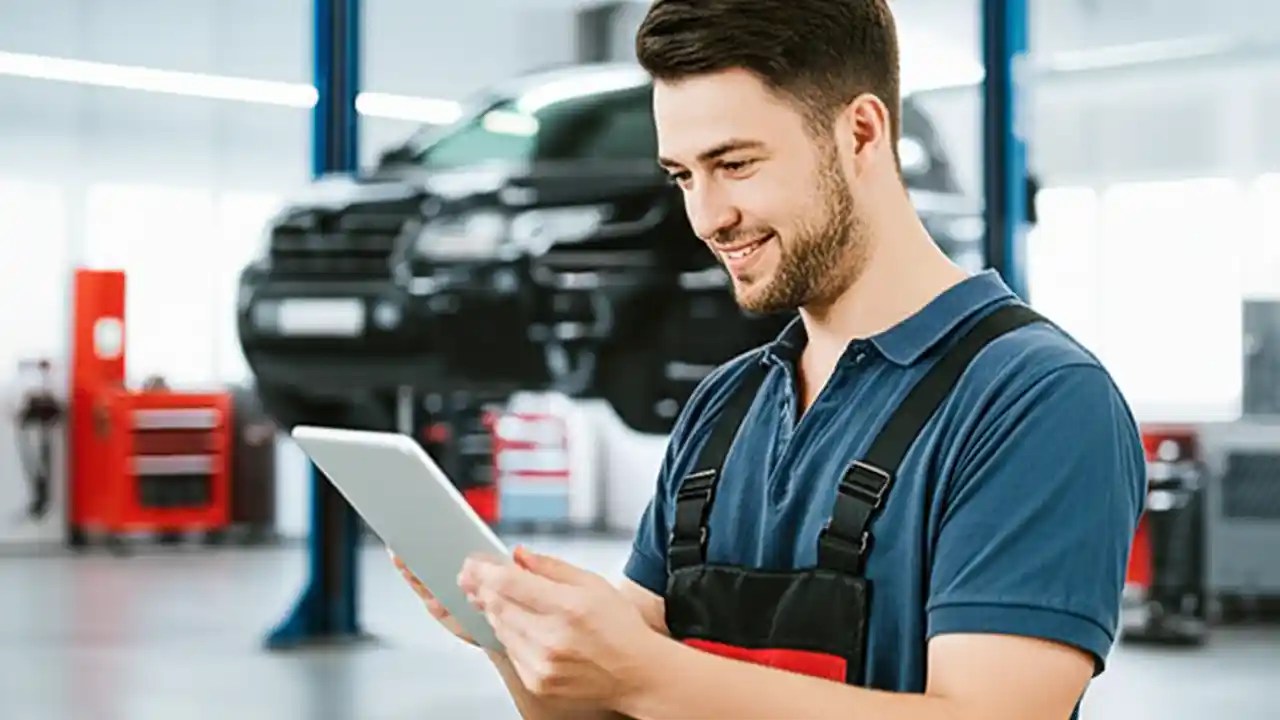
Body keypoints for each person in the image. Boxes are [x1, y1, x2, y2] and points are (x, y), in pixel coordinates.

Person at [392, 0, 1147, 717]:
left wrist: (639, 667)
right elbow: (608, 712)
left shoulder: (1037, 399)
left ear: (860, 133)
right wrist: (513, 637)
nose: (708, 217)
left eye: (736, 163)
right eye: (684, 175)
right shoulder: (727, 406)